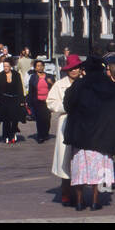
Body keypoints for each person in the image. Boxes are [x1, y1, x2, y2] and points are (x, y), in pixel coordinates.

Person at [63, 56, 115, 210]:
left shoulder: (79, 85)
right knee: (97, 170)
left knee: (80, 169)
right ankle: (96, 200)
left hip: (81, 134)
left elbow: (68, 104)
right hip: (102, 135)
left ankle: (79, 201)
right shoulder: (112, 87)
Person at [47, 54, 83, 205]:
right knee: (65, 159)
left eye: (77, 68)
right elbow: (50, 102)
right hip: (66, 122)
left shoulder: (85, 84)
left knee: (80, 159)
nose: (74, 71)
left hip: (82, 124)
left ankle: (79, 193)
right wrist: (65, 107)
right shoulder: (59, 84)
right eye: (72, 68)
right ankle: (66, 192)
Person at [0, 57, 27, 144]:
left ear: (10, 66)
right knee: (6, 119)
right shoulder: (0, 75)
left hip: (14, 100)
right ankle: (6, 136)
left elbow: (20, 88)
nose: (5, 68)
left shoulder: (16, 75)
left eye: (7, 66)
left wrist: (22, 100)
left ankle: (13, 133)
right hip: (4, 100)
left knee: (15, 118)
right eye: (4, 66)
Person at [27, 64, 51, 141]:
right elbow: (31, 90)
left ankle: (45, 133)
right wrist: (29, 101)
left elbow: (55, 87)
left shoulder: (50, 76)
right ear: (35, 68)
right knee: (39, 119)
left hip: (48, 100)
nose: (39, 67)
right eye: (37, 66)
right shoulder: (33, 77)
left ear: (44, 67)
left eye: (41, 66)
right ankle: (40, 135)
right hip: (37, 100)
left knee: (47, 118)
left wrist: (51, 82)